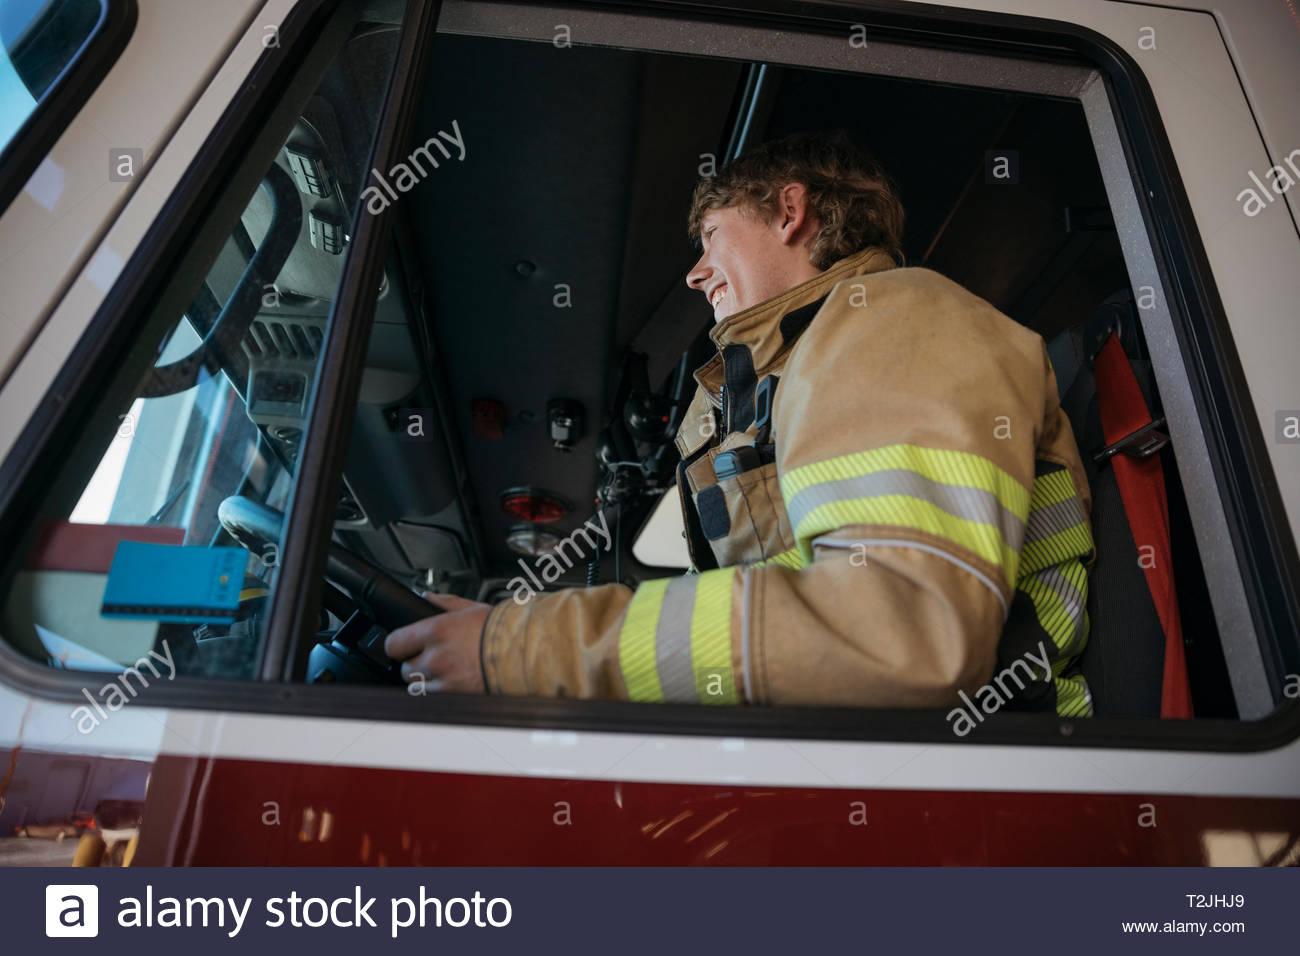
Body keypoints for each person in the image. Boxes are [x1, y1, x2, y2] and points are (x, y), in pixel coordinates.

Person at [385, 130, 1095, 716]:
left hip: (984, 764)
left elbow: (902, 632)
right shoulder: (803, 365)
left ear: (790, 212)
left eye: (711, 236)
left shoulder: (896, 318)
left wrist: (522, 650)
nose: (696, 274)